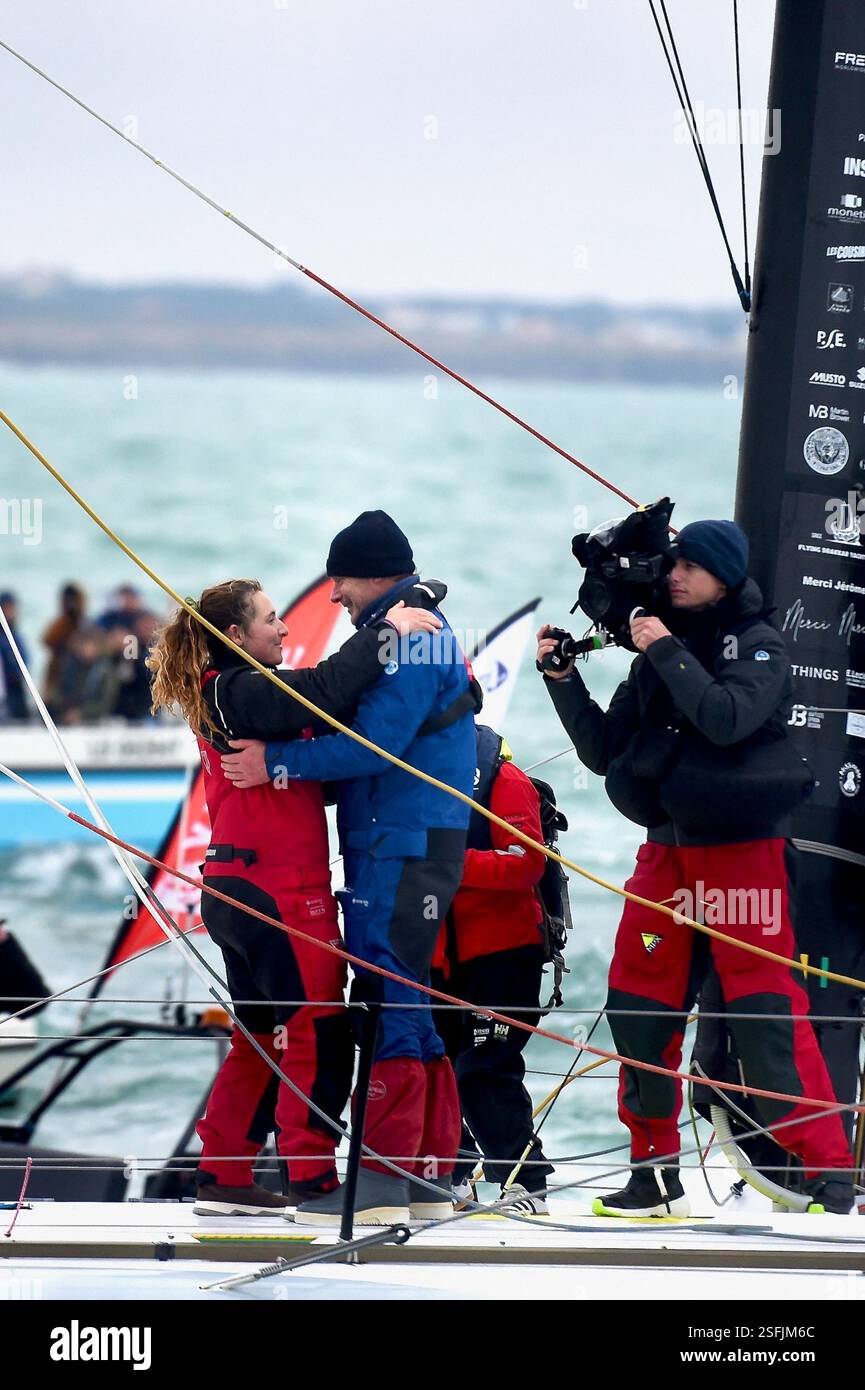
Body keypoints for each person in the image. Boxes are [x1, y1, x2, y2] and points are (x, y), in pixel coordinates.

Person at [538, 518, 854, 1216]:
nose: (672, 575)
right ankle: (653, 1174)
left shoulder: (760, 644)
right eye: (669, 565)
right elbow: (602, 752)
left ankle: (831, 1175)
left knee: (765, 1017)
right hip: (666, 859)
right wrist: (562, 680)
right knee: (638, 1007)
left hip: (743, 861)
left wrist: (662, 645)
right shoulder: (653, 653)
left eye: (688, 566)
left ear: (722, 576)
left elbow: (724, 718)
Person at [147, 574, 439, 1217]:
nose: (283, 629)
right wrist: (390, 631)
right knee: (314, 1031)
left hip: (243, 886)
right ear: (234, 637)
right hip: (275, 890)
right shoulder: (231, 692)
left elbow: (324, 731)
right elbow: (323, 690)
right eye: (270, 619)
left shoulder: (242, 699)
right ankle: (311, 1177)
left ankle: (223, 1176)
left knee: (260, 1034)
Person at [222, 511, 479, 1226]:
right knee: (411, 1003)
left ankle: (383, 1182)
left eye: (339, 580)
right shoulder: (415, 632)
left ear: (369, 576)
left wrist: (275, 763)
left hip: (397, 845)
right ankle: (426, 1178)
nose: (333, 595)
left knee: (391, 1002)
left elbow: (377, 748)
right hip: (411, 840)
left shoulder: (410, 643)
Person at [430, 723, 555, 1214]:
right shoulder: (411, 777)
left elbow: (527, 863)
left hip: (506, 955)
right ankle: (453, 1176)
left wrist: (450, 864)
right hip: (439, 956)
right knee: (436, 1067)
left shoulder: (506, 779)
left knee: (483, 1070)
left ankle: (527, 1182)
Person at [41, 582, 87, 708]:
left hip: (77, 674)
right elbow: (46, 640)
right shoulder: (61, 623)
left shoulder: (85, 625)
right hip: (59, 672)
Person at [0, 591, 30, 721]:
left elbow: (24, 665)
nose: (10, 612)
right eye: (6, 608)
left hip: (14, 694)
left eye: (12, 608)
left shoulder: (16, 637)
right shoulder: (8, 638)